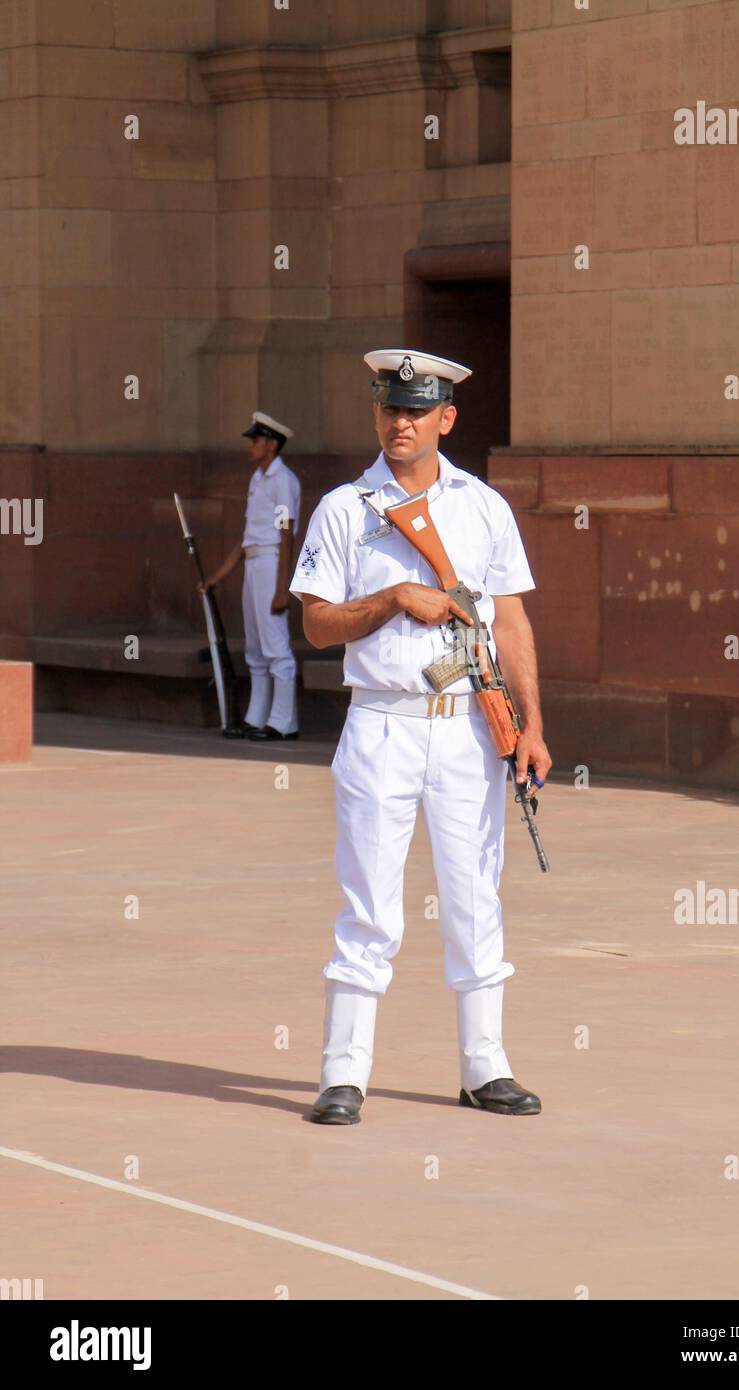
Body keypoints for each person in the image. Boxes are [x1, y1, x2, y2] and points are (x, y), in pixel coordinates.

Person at [290, 349, 553, 1125]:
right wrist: (395, 597)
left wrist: (532, 724)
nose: (399, 423)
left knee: (476, 896)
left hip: (469, 727)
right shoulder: (346, 508)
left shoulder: (483, 507)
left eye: (415, 410)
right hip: (382, 721)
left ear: (447, 417)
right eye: (388, 408)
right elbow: (314, 622)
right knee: (369, 902)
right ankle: (344, 1074)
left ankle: (485, 1066)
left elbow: (510, 621)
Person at [203, 411, 301, 741]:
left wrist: (282, 587)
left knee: (276, 647)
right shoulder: (258, 479)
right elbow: (248, 538)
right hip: (254, 563)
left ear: (271, 445)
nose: (251, 446)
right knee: (256, 650)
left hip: (273, 561)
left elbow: (286, 533)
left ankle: (283, 722)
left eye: (256, 440)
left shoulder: (282, 480)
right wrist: (218, 576)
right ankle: (257, 718)